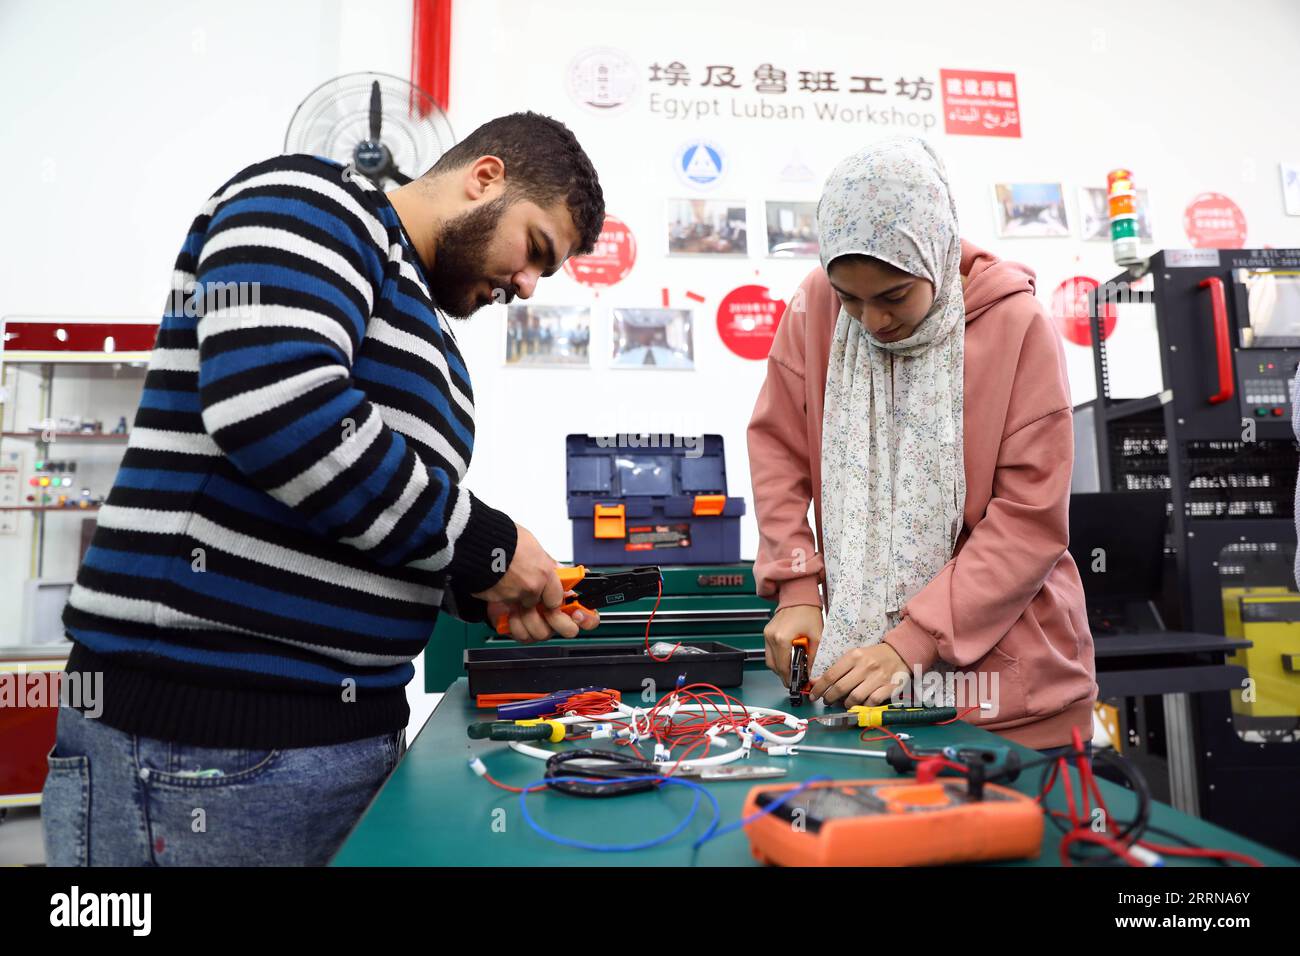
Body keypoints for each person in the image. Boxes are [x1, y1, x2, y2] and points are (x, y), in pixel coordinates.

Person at [42, 112, 604, 865]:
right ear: (486, 177)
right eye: (536, 248)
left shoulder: (432, 337)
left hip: (344, 742)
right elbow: (278, 408)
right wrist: (485, 546)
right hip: (198, 746)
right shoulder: (309, 202)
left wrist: (474, 587)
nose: (528, 286)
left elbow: (354, 513)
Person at [747, 136, 1096, 750]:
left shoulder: (1018, 327)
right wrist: (796, 586)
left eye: (893, 297)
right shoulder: (816, 308)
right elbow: (778, 449)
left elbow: (1028, 523)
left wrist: (911, 643)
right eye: (850, 298)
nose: (871, 321)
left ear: (935, 253)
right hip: (863, 693)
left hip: (1008, 698)